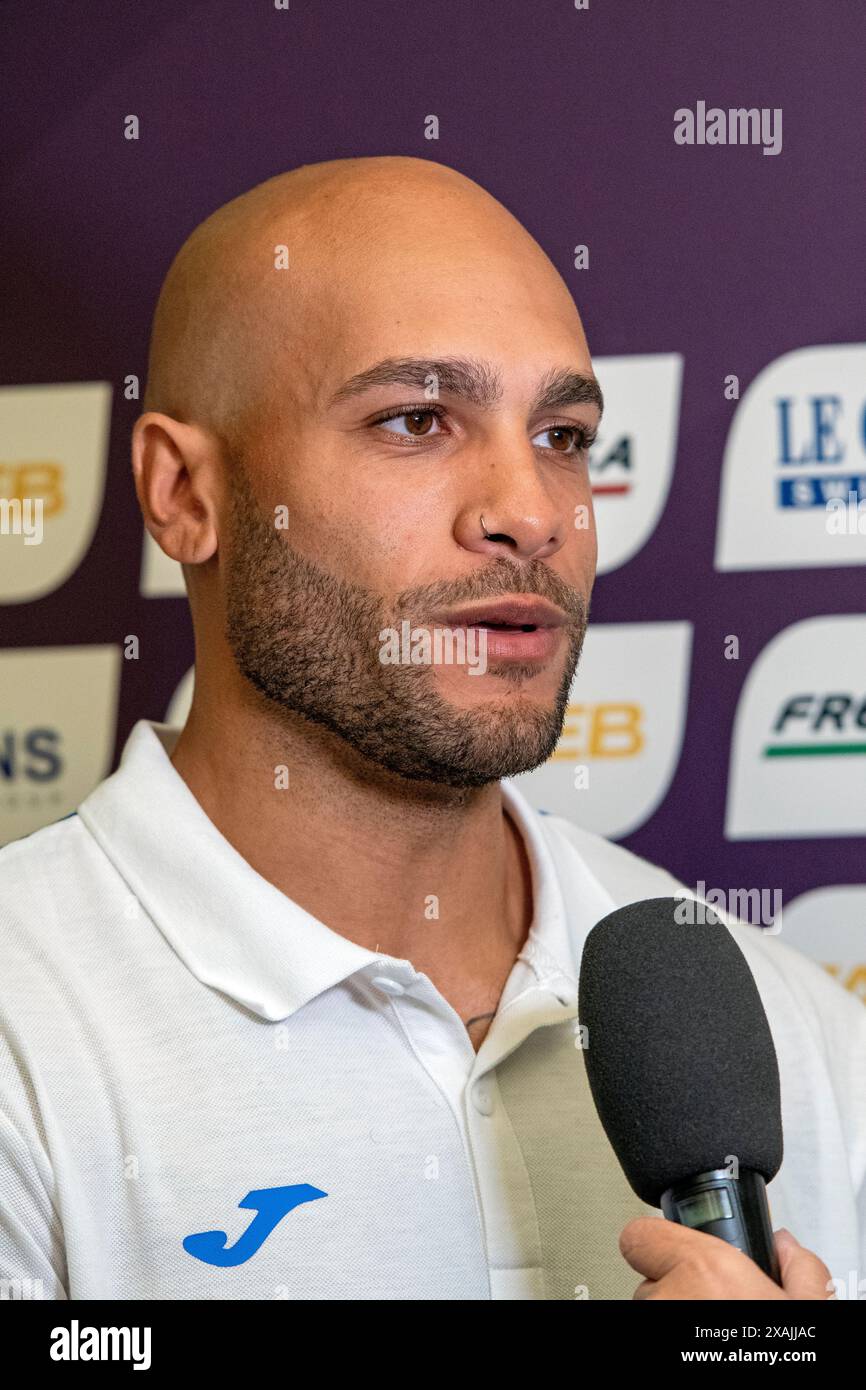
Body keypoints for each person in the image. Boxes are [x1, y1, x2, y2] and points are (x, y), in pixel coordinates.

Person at [0, 157, 863, 1301]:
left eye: (560, 434)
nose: (525, 512)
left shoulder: (792, 1035)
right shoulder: (25, 1027)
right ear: (184, 494)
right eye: (415, 419)